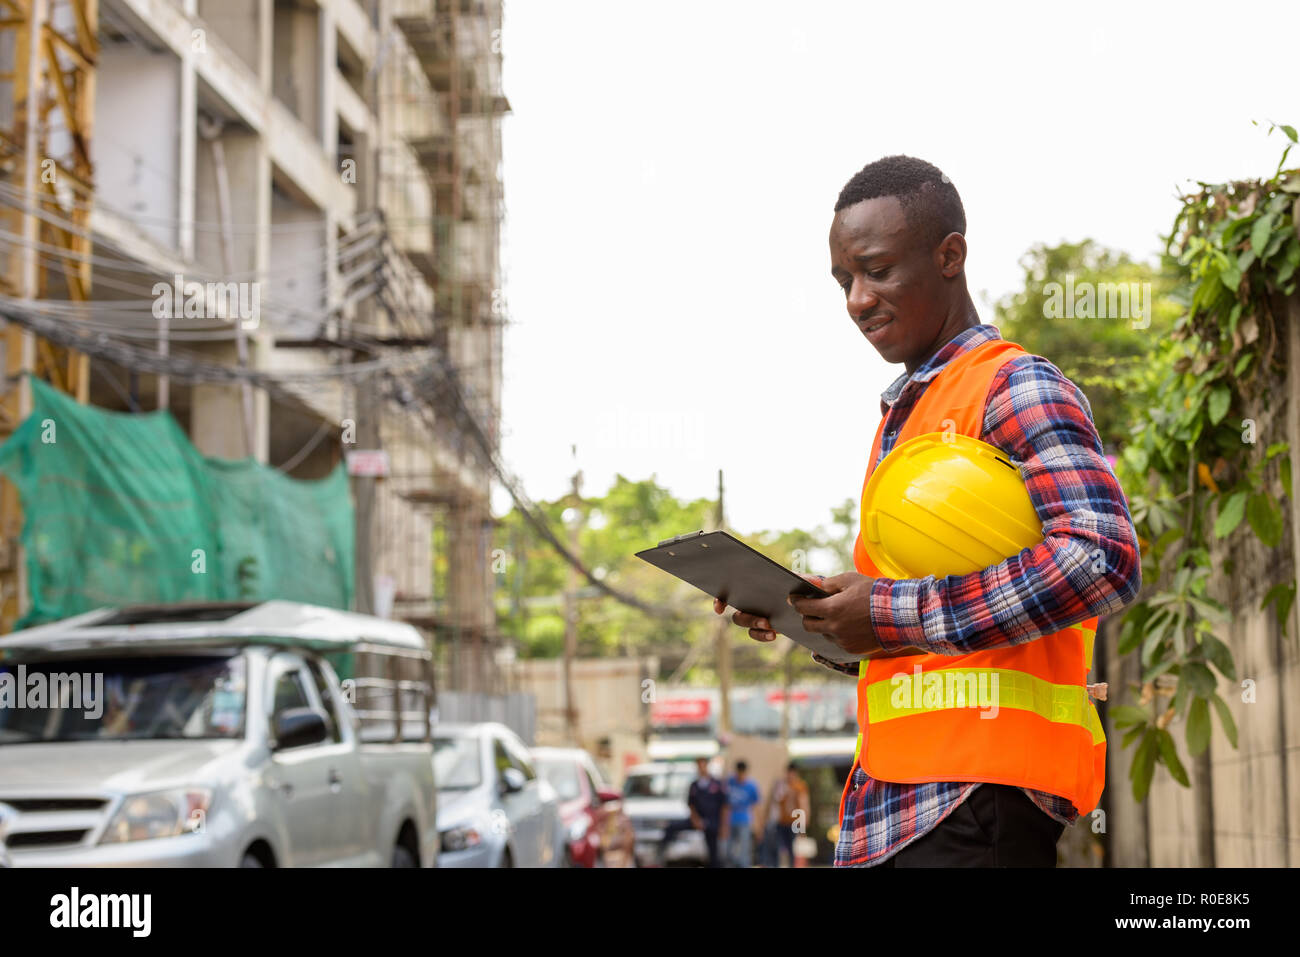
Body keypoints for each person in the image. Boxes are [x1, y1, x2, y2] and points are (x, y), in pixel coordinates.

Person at [715, 155, 1141, 867]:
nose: (856, 298)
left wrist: (887, 613)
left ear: (950, 256)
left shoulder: (1015, 384)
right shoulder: (902, 422)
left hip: (978, 801)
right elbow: (916, 630)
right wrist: (815, 615)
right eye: (843, 280)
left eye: (876, 270)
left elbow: (1102, 558)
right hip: (899, 808)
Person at [759, 763, 809, 868]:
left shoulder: (799, 786)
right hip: (781, 821)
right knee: (777, 847)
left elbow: (804, 805)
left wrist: (803, 823)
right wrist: (765, 818)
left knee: (792, 849)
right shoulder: (781, 785)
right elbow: (773, 801)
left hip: (794, 822)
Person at [687, 756, 728, 867]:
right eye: (699, 766)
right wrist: (695, 820)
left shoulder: (717, 784)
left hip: (714, 822)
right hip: (699, 821)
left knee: (714, 853)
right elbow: (691, 805)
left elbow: (725, 805)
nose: (701, 768)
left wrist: (724, 825)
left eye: (703, 765)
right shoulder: (694, 786)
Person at [725, 760, 761, 867]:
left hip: (744, 821)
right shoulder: (730, 782)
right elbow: (725, 804)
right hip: (730, 820)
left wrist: (759, 825)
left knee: (744, 851)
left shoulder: (751, 786)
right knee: (729, 850)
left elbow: (756, 806)